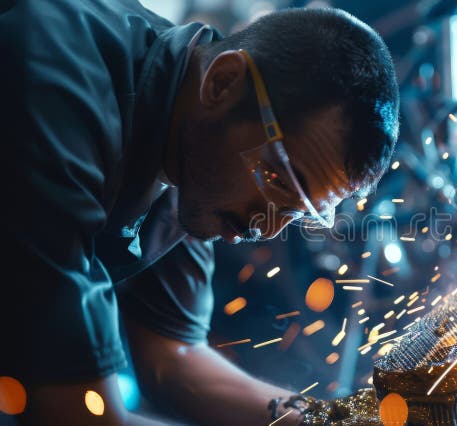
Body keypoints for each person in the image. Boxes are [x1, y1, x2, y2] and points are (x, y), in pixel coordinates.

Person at [0, 0, 399, 424]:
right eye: (278, 179)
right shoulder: (60, 85)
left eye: (300, 213)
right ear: (223, 83)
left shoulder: (195, 149)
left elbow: (173, 357)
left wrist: (333, 420)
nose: (267, 228)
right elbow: (77, 412)